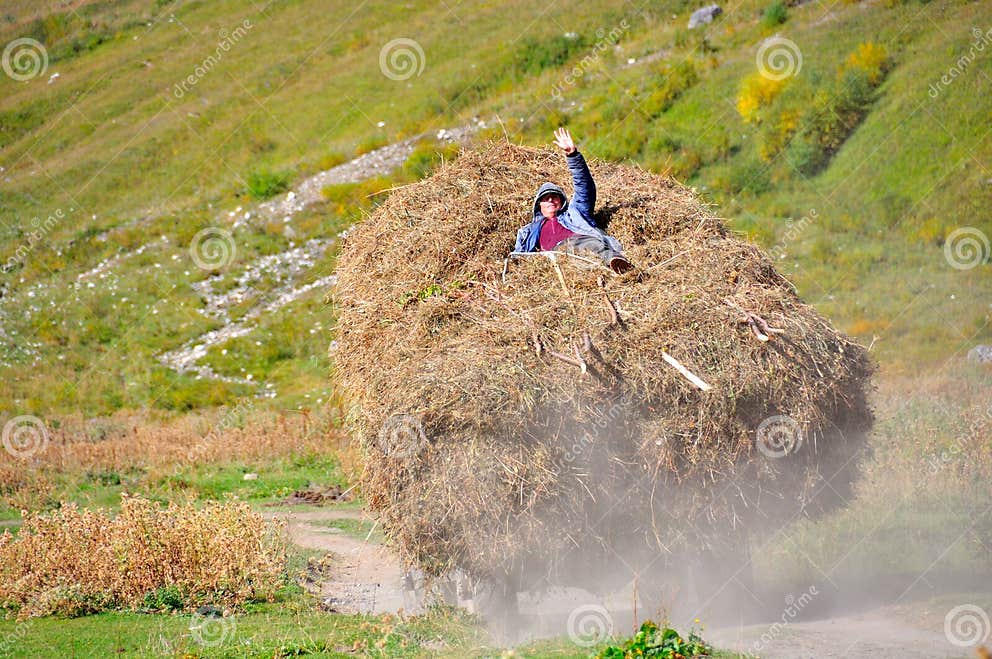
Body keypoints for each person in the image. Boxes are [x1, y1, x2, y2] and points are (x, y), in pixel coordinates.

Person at [513, 127, 634, 274]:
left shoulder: (574, 213)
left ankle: (617, 263)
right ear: (539, 205)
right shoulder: (528, 231)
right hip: (554, 258)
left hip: (580, 244)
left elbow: (584, 188)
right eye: (545, 198)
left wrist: (573, 155)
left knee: (591, 244)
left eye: (554, 196)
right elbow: (518, 257)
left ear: (561, 201)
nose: (550, 199)